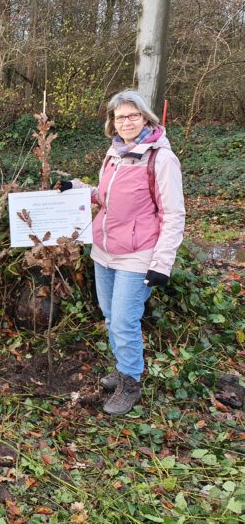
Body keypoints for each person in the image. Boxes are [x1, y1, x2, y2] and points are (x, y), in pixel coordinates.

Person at [60, 89, 185, 415]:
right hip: (104, 250)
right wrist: (76, 189)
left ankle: (130, 382)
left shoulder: (161, 158)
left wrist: (162, 262)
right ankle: (122, 367)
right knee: (111, 316)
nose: (126, 122)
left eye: (133, 115)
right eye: (120, 117)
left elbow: (173, 214)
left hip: (138, 253)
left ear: (146, 117)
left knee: (125, 321)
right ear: (112, 123)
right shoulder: (114, 153)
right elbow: (105, 197)